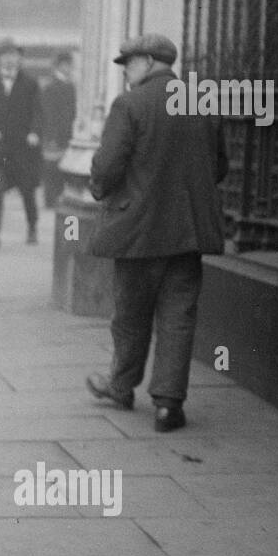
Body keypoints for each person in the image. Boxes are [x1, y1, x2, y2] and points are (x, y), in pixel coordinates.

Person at [84, 33, 229, 433]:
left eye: (128, 63)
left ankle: (122, 385)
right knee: (178, 316)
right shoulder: (202, 101)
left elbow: (108, 166)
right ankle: (168, 405)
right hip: (187, 233)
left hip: (137, 232)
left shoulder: (129, 104)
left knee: (130, 315)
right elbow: (219, 168)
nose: (126, 72)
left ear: (147, 61)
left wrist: (100, 188)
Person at [0, 38, 43, 248]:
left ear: (20, 60)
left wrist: (34, 132)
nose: (9, 61)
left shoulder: (30, 84)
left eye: (14, 57)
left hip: (23, 149)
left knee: (27, 191)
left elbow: (38, 112)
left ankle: (32, 227)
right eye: (5, 57)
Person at [40, 50, 77, 209]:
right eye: (67, 65)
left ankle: (56, 197)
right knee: (52, 168)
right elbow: (48, 113)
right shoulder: (51, 87)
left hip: (66, 133)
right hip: (54, 134)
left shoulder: (70, 86)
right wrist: (51, 136)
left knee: (60, 167)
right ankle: (50, 199)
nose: (69, 68)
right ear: (60, 66)